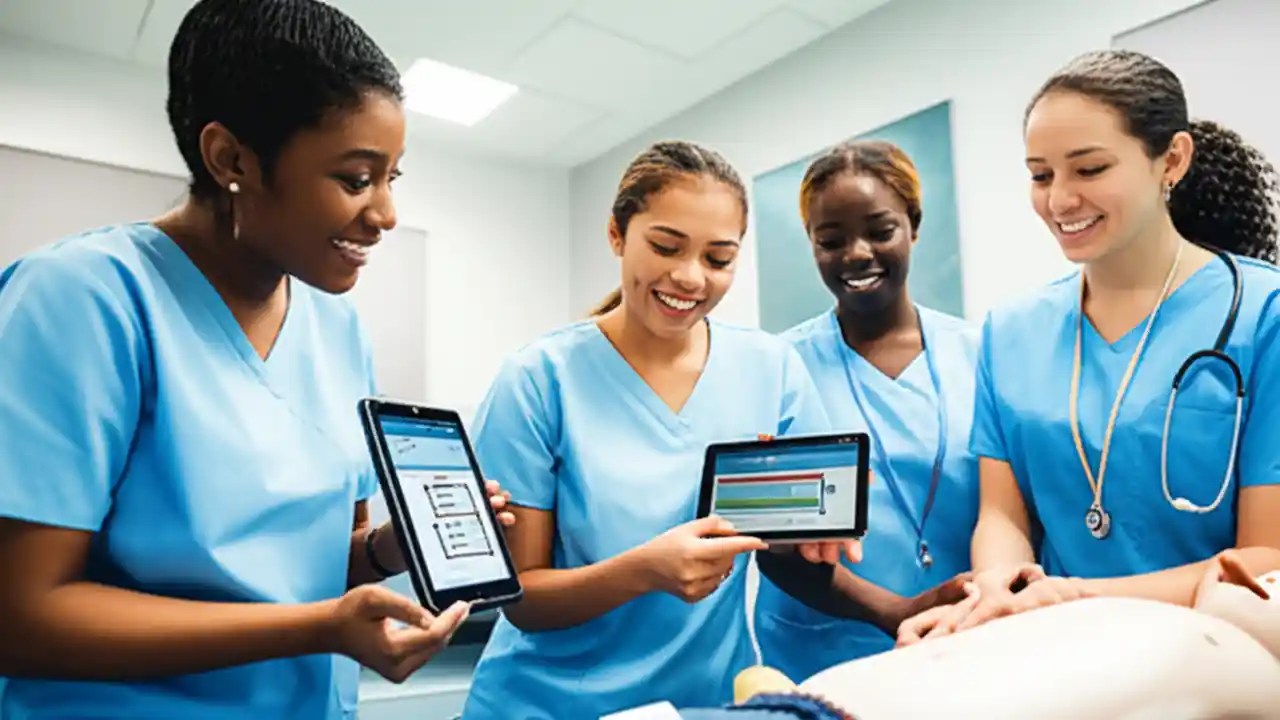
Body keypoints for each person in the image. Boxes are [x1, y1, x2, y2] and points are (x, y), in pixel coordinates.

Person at [0, 1, 512, 718]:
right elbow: (22, 616)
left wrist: (389, 549)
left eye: (392, 178)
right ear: (231, 159)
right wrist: (317, 628)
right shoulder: (81, 300)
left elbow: (313, 562)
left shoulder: (338, 330)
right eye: (356, 179)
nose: (386, 214)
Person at [457, 140, 859, 720]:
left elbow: (786, 539)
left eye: (718, 259)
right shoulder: (539, 378)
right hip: (548, 705)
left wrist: (811, 537)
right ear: (617, 234)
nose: (690, 277)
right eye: (666, 247)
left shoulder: (771, 369)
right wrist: (644, 571)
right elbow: (520, 598)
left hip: (702, 702)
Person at [899, 49, 1280, 643]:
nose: (1059, 200)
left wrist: (1074, 597)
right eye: (1040, 175)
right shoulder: (1011, 332)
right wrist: (998, 589)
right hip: (1061, 652)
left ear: (1171, 160)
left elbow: (1267, 558)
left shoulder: (1263, 315)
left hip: (1217, 656)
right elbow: (1001, 514)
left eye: (1090, 169)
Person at [751, 140, 985, 680]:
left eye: (880, 231)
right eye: (831, 240)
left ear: (913, 226)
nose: (856, 254)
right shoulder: (778, 367)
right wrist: (896, 612)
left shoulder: (981, 354)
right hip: (824, 652)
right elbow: (772, 546)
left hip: (964, 635)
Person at [656, 548, 1280, 720]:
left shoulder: (1236, 668)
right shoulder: (1190, 628)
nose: (1249, 577)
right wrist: (1034, 595)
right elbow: (1245, 561)